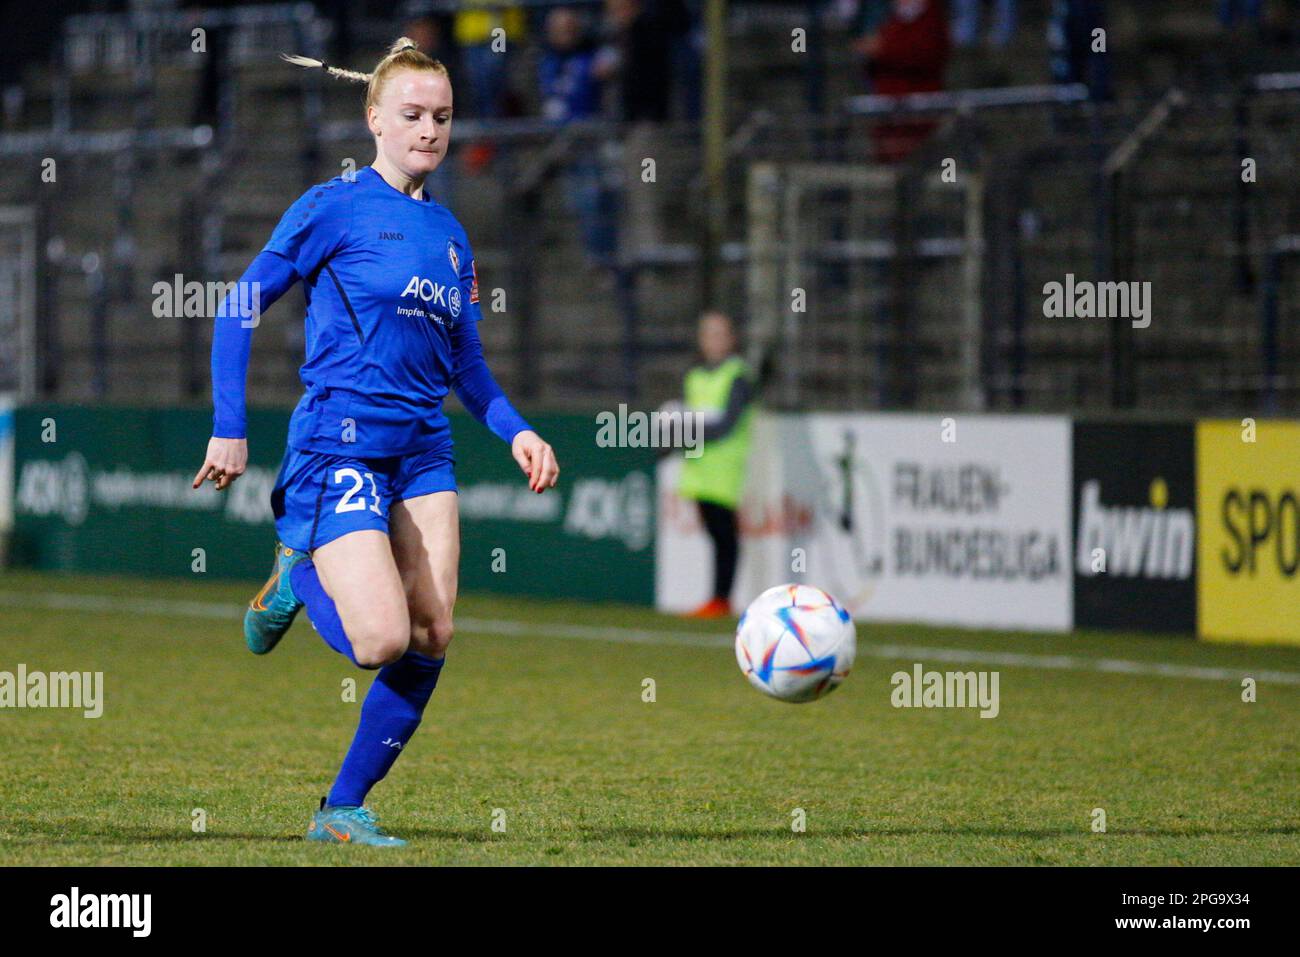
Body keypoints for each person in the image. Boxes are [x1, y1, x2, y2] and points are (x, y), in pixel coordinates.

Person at [192, 38, 560, 847]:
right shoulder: (333, 205)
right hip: (341, 444)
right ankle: (295, 571)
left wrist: (517, 429)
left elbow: (467, 364)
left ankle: (341, 809)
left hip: (425, 447)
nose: (429, 129)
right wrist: (229, 423)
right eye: (413, 115)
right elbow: (239, 302)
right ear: (374, 120)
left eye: (442, 116)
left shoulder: (453, 237)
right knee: (380, 640)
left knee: (432, 633)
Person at [677, 311, 755, 619]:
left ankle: (721, 599)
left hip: (724, 469)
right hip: (698, 470)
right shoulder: (694, 376)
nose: (714, 340)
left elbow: (726, 424)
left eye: (720, 334)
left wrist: (685, 431)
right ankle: (717, 598)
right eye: (708, 334)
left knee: (725, 535)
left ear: (732, 339)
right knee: (714, 533)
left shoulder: (738, 375)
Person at [854, 0, 952, 164]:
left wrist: (883, 49)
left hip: (917, 111)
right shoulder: (896, 18)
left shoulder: (930, 16)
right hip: (889, 112)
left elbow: (926, 54)